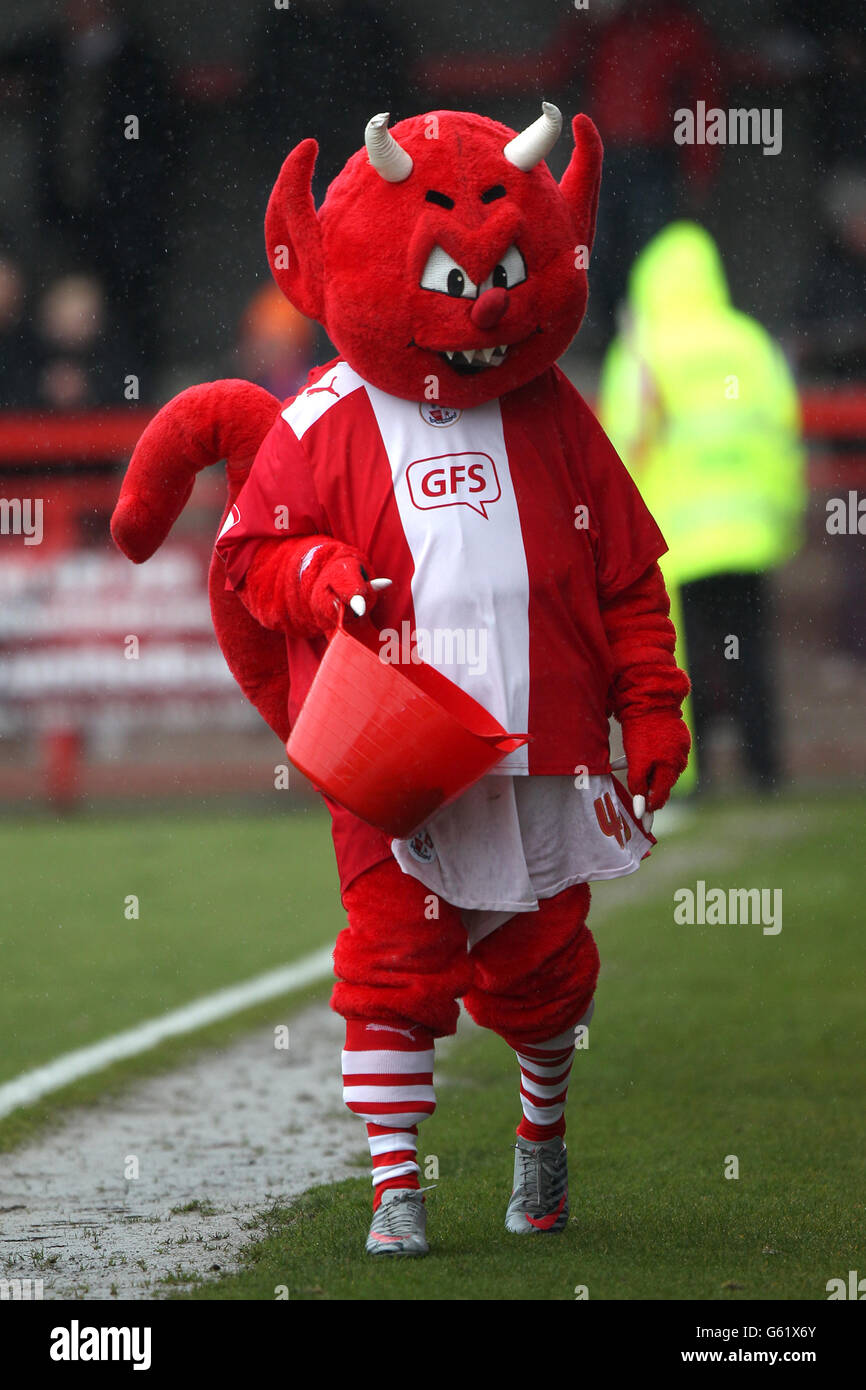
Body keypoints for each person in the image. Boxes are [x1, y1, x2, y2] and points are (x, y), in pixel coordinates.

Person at [113, 104, 691, 1257]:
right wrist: (318, 572)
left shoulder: (554, 411)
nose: (480, 311)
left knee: (542, 971)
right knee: (391, 959)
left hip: (538, 741)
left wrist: (651, 699)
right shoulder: (325, 416)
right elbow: (252, 559)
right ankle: (395, 1182)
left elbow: (625, 571)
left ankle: (540, 1132)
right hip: (396, 752)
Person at [599, 221, 807, 791]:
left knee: (685, 661)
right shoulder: (748, 341)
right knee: (752, 655)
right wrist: (786, 517)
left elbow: (621, 446)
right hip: (750, 534)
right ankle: (765, 771)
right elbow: (783, 433)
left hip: (680, 540)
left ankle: (693, 775)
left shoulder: (643, 351)